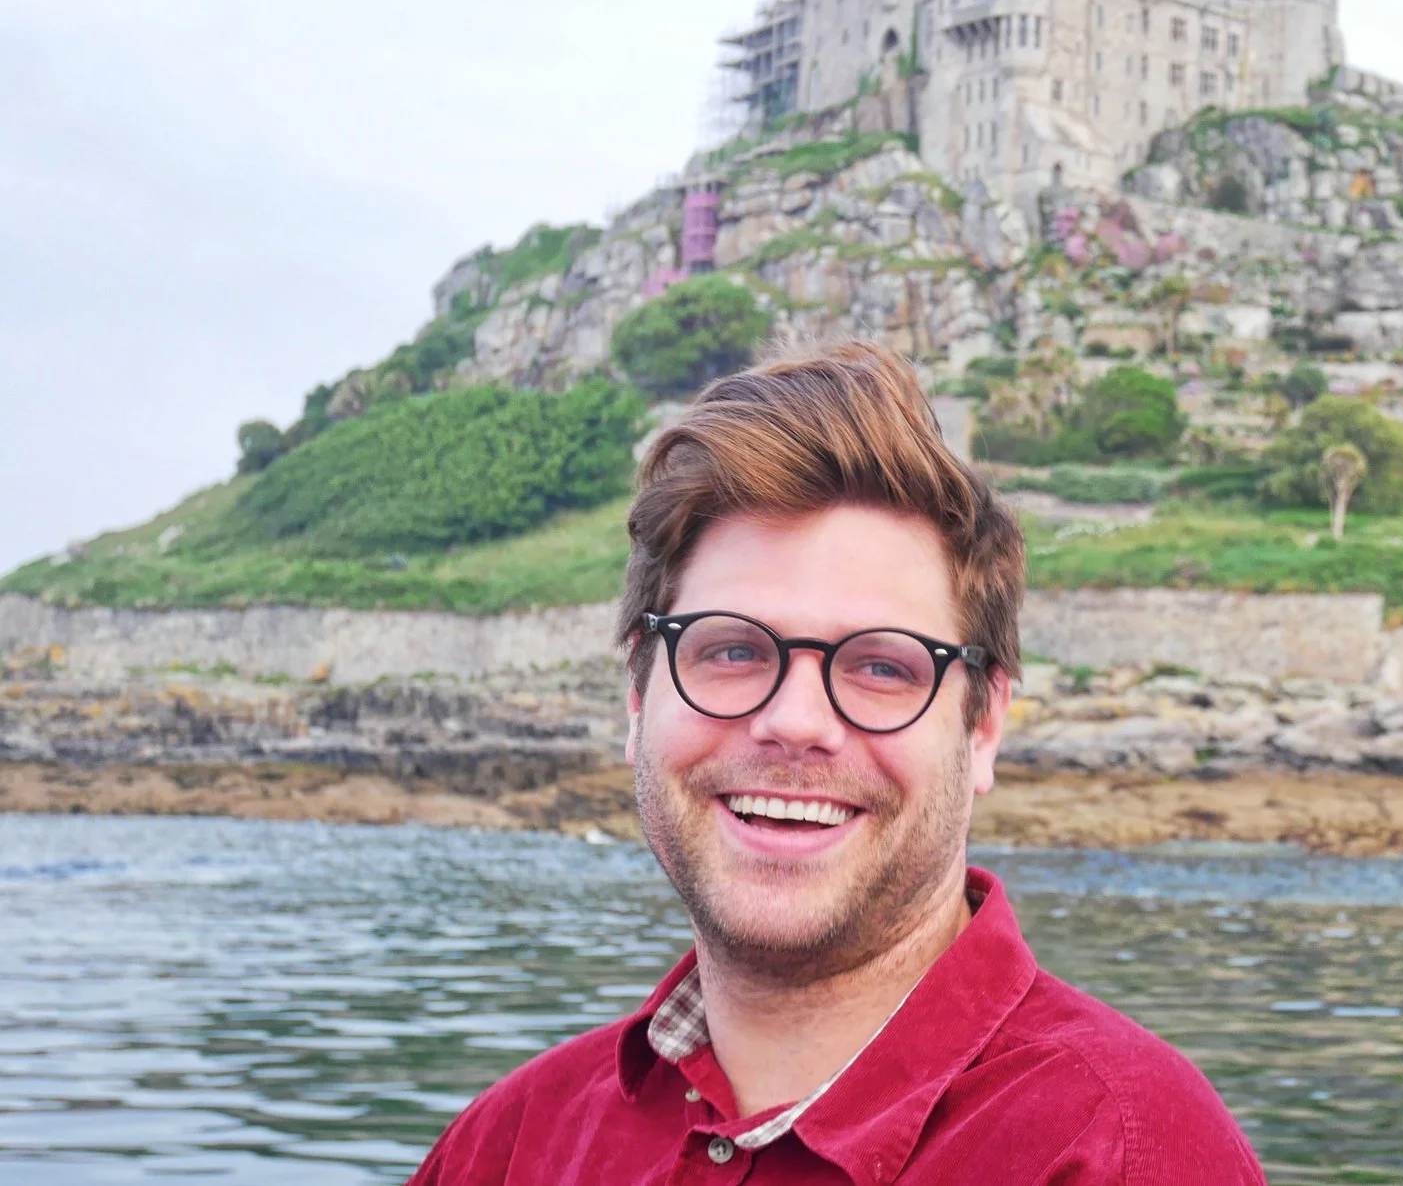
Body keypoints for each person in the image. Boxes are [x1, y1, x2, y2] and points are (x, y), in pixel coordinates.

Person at [408, 340, 1263, 1184]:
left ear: (983, 725)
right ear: (638, 694)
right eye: (733, 650)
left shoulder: (1124, 1153)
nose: (794, 722)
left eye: (881, 666)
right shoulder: (503, 1146)